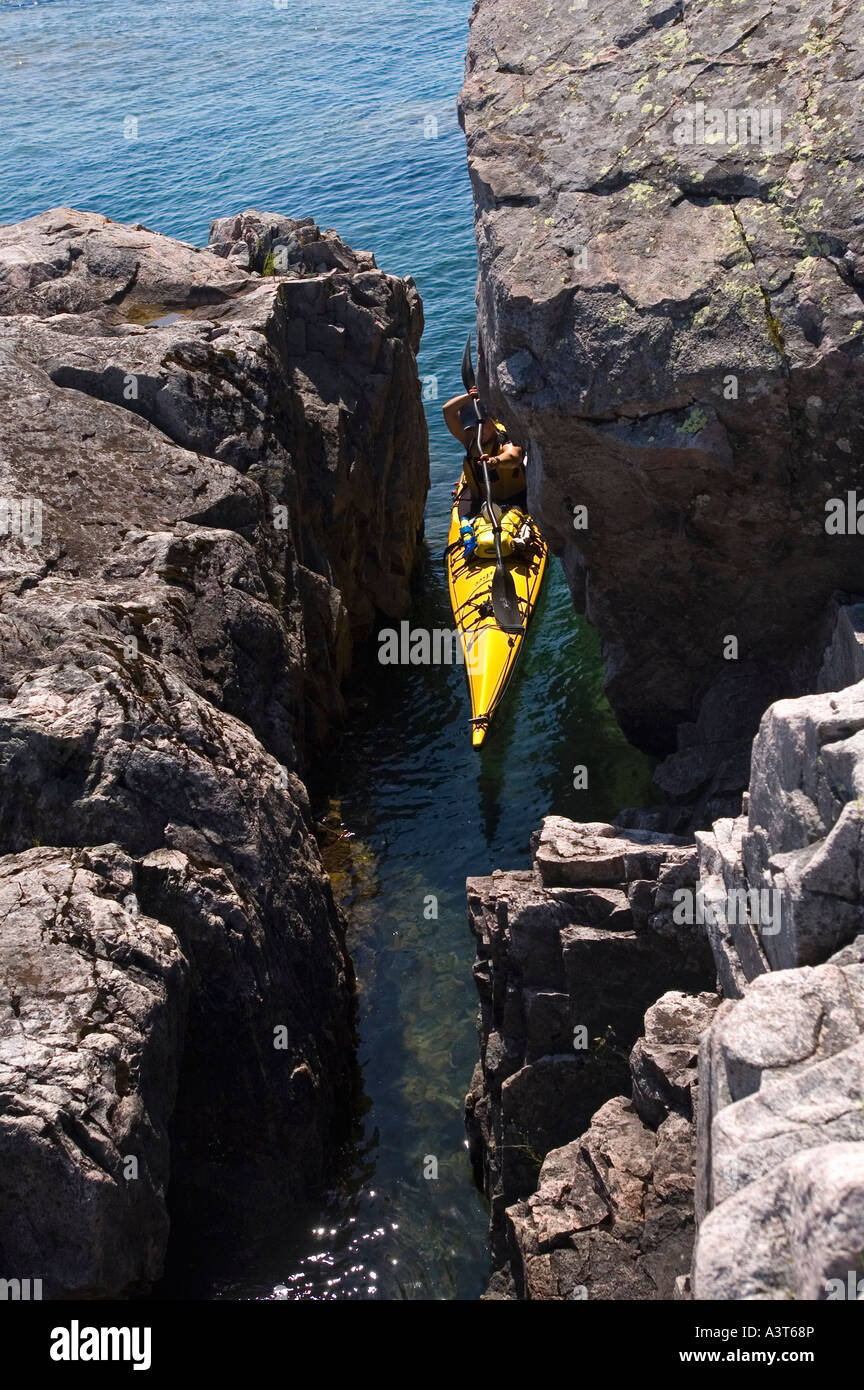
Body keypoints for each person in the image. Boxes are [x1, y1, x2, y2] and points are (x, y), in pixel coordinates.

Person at [442, 386, 527, 523]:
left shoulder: (505, 436)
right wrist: (470, 397)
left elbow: (514, 456)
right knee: (465, 522)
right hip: (480, 500)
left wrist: (495, 461)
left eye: (479, 425)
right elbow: (447, 410)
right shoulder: (469, 439)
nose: (476, 431)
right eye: (471, 427)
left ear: (490, 421)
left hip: (516, 497)